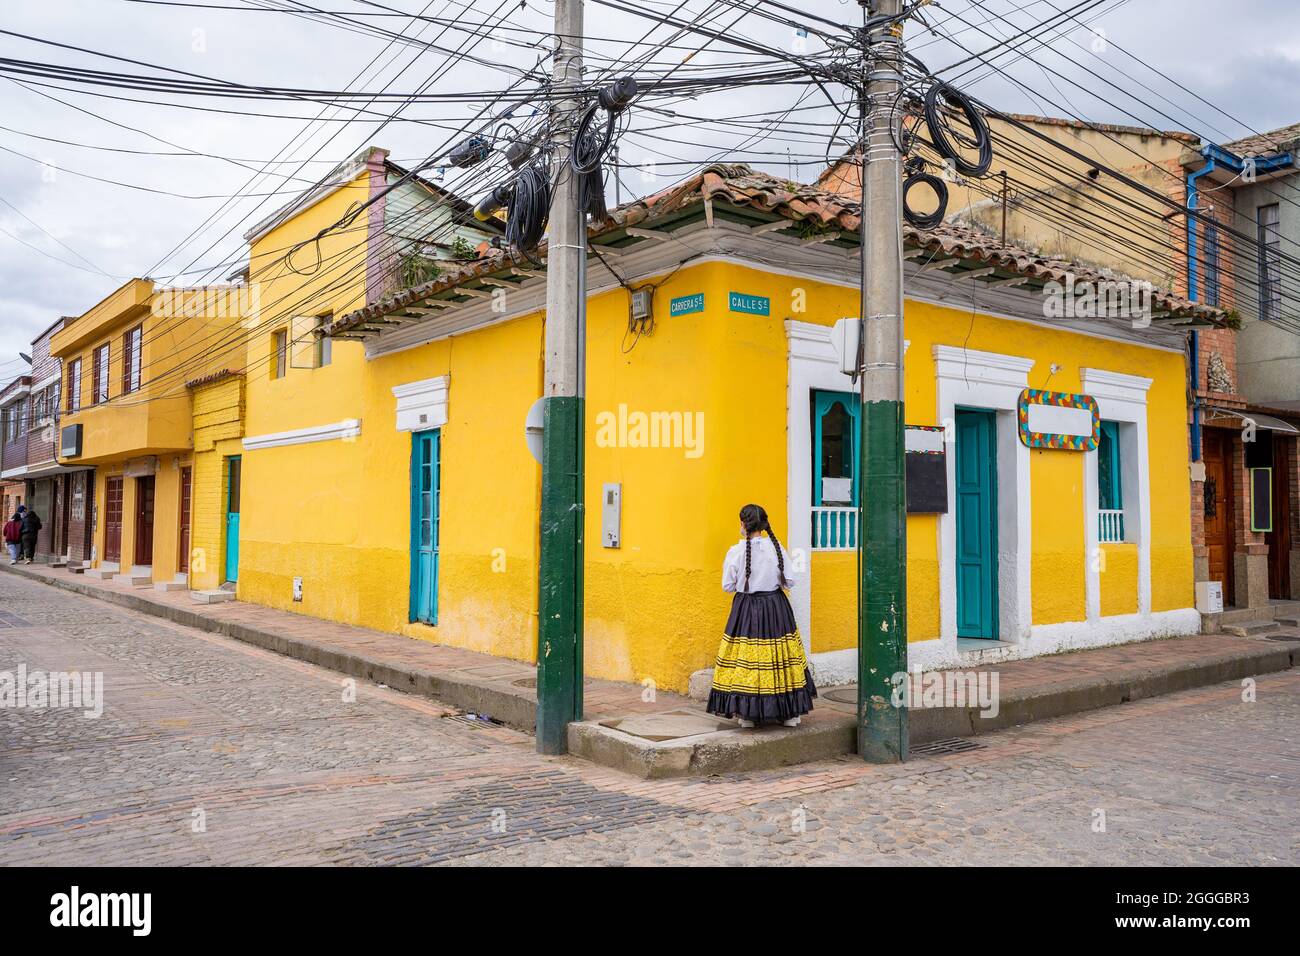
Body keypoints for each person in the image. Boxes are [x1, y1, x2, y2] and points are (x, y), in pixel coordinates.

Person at [706, 503, 816, 728]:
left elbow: (727, 585)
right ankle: (790, 715)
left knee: (748, 659)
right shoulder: (776, 548)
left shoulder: (736, 551)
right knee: (781, 658)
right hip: (776, 607)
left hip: (746, 609)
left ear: (743, 524)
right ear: (764, 524)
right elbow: (790, 581)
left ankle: (747, 716)